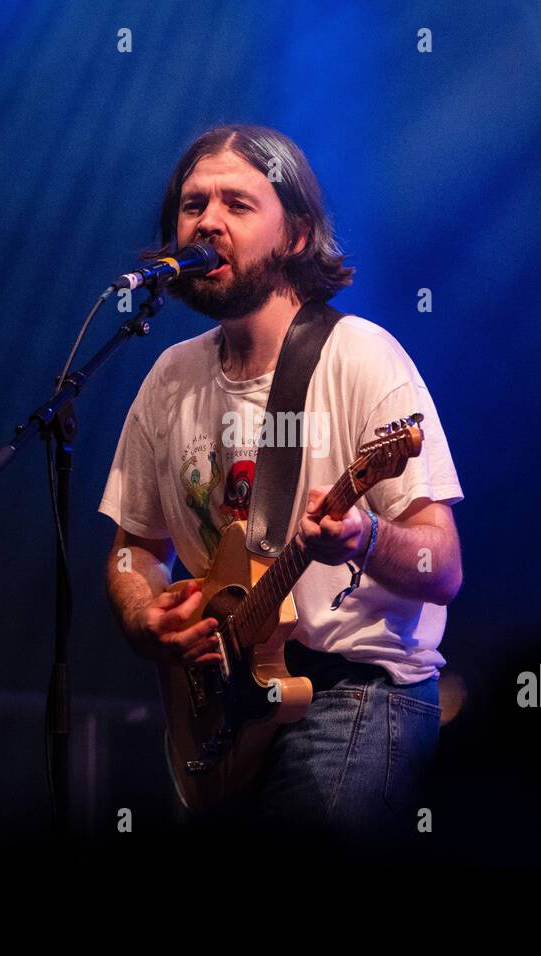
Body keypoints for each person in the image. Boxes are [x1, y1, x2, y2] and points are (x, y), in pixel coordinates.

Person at [99, 124, 463, 839]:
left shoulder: (360, 357)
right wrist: (147, 619)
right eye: (192, 204)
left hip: (355, 693)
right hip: (228, 705)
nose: (206, 220)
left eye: (236, 204)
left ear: (295, 235)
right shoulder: (170, 377)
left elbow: (442, 565)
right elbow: (131, 549)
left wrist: (365, 537)